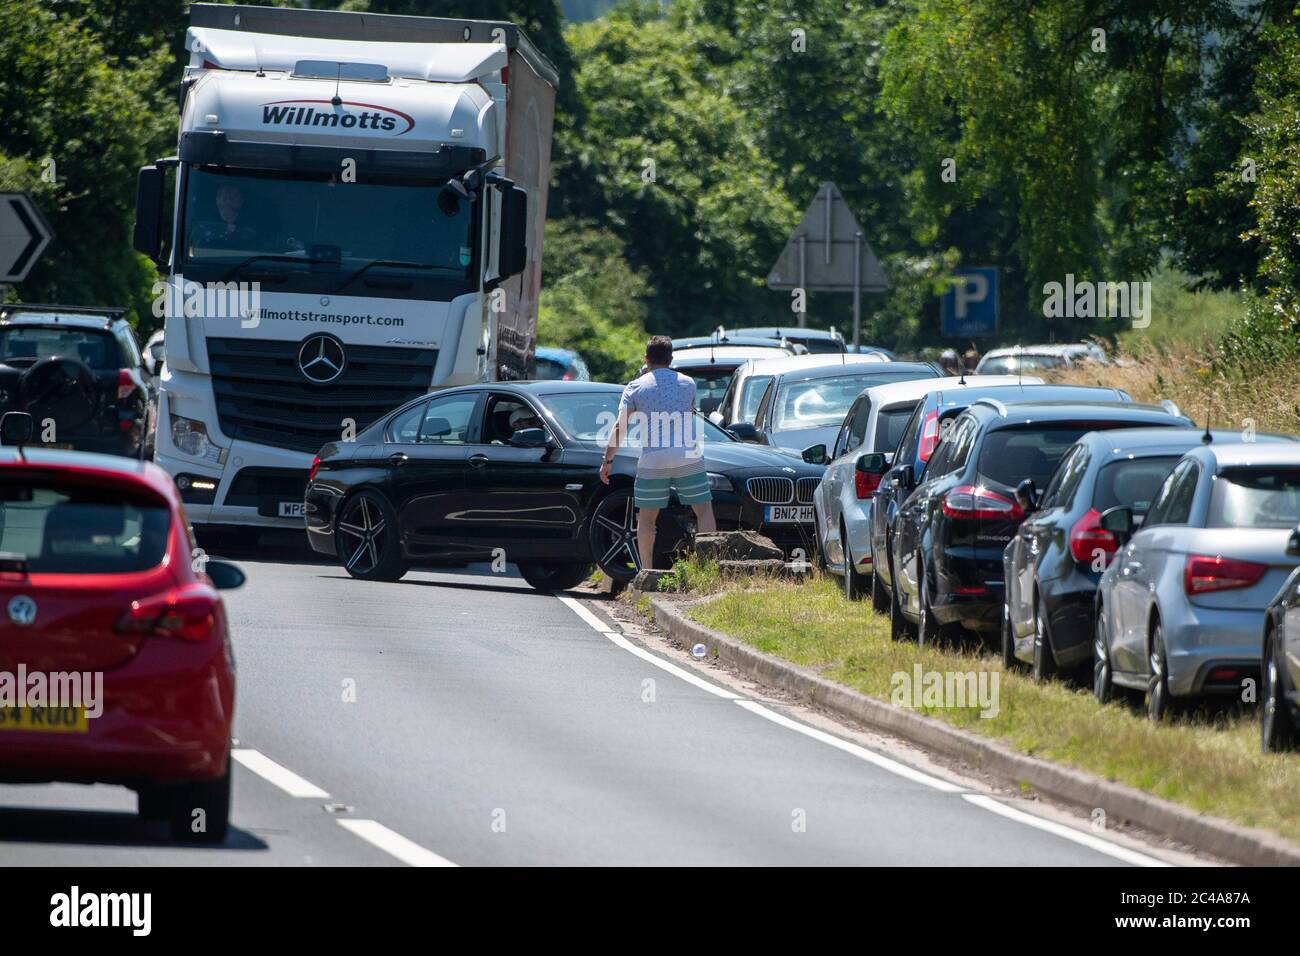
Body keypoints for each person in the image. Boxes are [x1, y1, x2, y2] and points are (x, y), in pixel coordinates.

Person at [600, 335, 717, 570]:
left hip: (654, 456)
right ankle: (708, 567)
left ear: (646, 359)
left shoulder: (635, 387)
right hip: (688, 454)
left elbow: (620, 426)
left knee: (646, 518)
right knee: (703, 510)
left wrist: (608, 460)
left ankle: (647, 570)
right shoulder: (688, 383)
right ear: (671, 358)